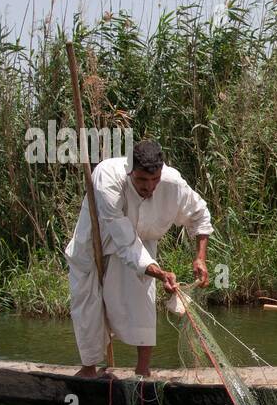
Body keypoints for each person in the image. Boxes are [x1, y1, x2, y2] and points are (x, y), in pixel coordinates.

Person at [65, 139, 212, 377]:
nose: (149, 186)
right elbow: (123, 239)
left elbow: (200, 215)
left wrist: (200, 258)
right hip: (97, 239)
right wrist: (160, 272)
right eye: (142, 180)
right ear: (130, 171)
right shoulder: (108, 178)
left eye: (154, 180)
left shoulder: (173, 183)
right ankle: (89, 370)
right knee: (88, 303)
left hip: (140, 241)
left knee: (142, 298)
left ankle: (142, 371)